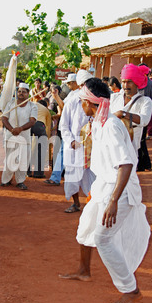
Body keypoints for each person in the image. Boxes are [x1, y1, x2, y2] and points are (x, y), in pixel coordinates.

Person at [60, 78, 151, 303]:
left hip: (119, 190)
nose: (80, 105)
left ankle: (131, 290)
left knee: (103, 238)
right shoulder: (99, 121)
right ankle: (84, 270)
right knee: (85, 226)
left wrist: (112, 202)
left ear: (91, 103)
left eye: (82, 101)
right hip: (104, 185)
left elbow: (126, 164)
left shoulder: (110, 125)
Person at [44, 71, 93, 186]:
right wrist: (56, 96)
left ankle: (63, 178)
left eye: (70, 83)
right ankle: (57, 177)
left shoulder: (79, 94)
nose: (69, 86)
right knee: (65, 153)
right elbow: (64, 107)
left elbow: (64, 107)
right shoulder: (72, 94)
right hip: (70, 130)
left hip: (80, 130)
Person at [60, 82, 95, 213]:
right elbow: (63, 126)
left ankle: (93, 205)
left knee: (92, 177)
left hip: (91, 146)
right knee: (72, 178)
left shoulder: (95, 102)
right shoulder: (70, 102)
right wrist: (71, 141)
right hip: (74, 147)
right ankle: (76, 204)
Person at [110, 64, 152, 160]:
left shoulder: (145, 101)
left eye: (129, 82)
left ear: (137, 82)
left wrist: (123, 114)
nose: (125, 85)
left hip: (131, 144)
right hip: (112, 142)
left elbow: (144, 120)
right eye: (124, 82)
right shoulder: (114, 98)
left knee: (129, 170)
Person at [1, 83, 38, 190]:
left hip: (24, 138)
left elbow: (32, 121)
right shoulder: (10, 104)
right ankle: (6, 180)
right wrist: (12, 129)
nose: (21, 93)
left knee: (23, 161)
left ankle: (20, 181)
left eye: (24, 92)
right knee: (10, 159)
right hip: (10, 136)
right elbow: (4, 118)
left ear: (28, 94)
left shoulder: (32, 106)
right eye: (20, 91)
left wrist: (20, 129)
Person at [28, 99, 52, 178]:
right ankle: (38, 173)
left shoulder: (31, 104)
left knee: (27, 147)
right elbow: (48, 128)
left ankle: (26, 172)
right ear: (46, 106)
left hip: (28, 124)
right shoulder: (46, 110)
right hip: (39, 124)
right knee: (41, 149)